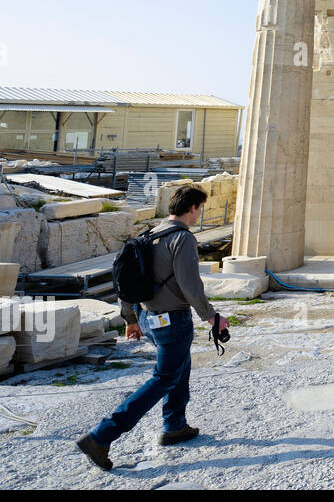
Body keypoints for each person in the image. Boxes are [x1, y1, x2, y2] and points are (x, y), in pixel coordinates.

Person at [76, 185, 230, 470]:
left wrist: (131, 319)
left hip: (148, 318)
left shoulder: (150, 234)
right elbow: (190, 284)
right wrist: (212, 317)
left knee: (179, 368)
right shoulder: (182, 238)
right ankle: (101, 435)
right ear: (193, 208)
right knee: (164, 378)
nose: (199, 214)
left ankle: (175, 426)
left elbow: (125, 279)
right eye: (200, 209)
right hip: (173, 319)